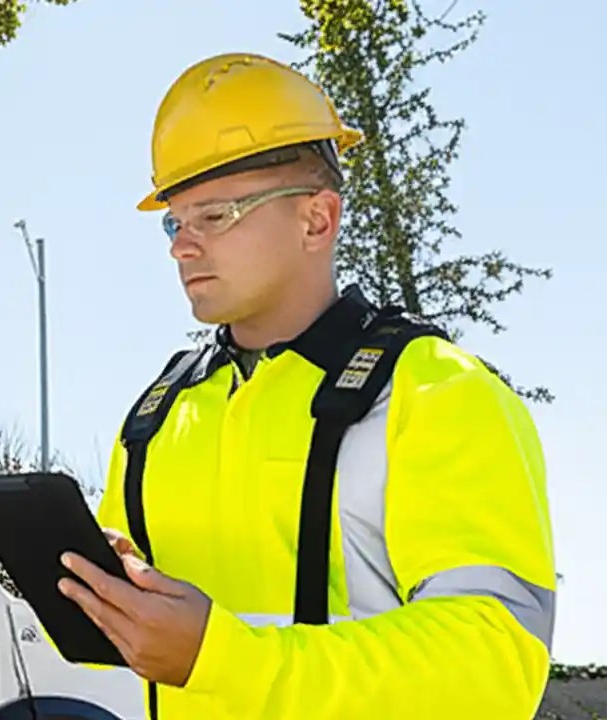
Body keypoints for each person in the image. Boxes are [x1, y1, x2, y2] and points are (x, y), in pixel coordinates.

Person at [55, 51, 557, 719]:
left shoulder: (438, 392)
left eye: (216, 216)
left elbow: (494, 666)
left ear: (317, 220)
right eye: (175, 221)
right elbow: (117, 650)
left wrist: (224, 658)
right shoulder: (159, 414)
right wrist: (97, 593)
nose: (181, 246)